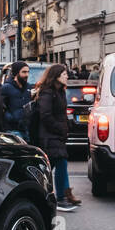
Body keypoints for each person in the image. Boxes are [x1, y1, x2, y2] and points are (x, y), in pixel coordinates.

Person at [33, 63, 80, 210]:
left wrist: (67, 125)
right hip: (49, 136)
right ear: (56, 76)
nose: (67, 76)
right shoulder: (47, 92)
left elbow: (61, 113)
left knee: (51, 166)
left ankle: (46, 195)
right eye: (64, 74)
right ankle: (61, 197)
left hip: (57, 136)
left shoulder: (60, 92)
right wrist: (59, 128)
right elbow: (45, 115)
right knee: (60, 163)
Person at [1, 60, 31, 135]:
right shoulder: (6, 88)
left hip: (27, 128)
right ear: (16, 73)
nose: (27, 74)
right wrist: (11, 118)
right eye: (24, 72)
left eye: (28, 72)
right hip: (12, 129)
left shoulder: (29, 87)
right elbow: (1, 107)